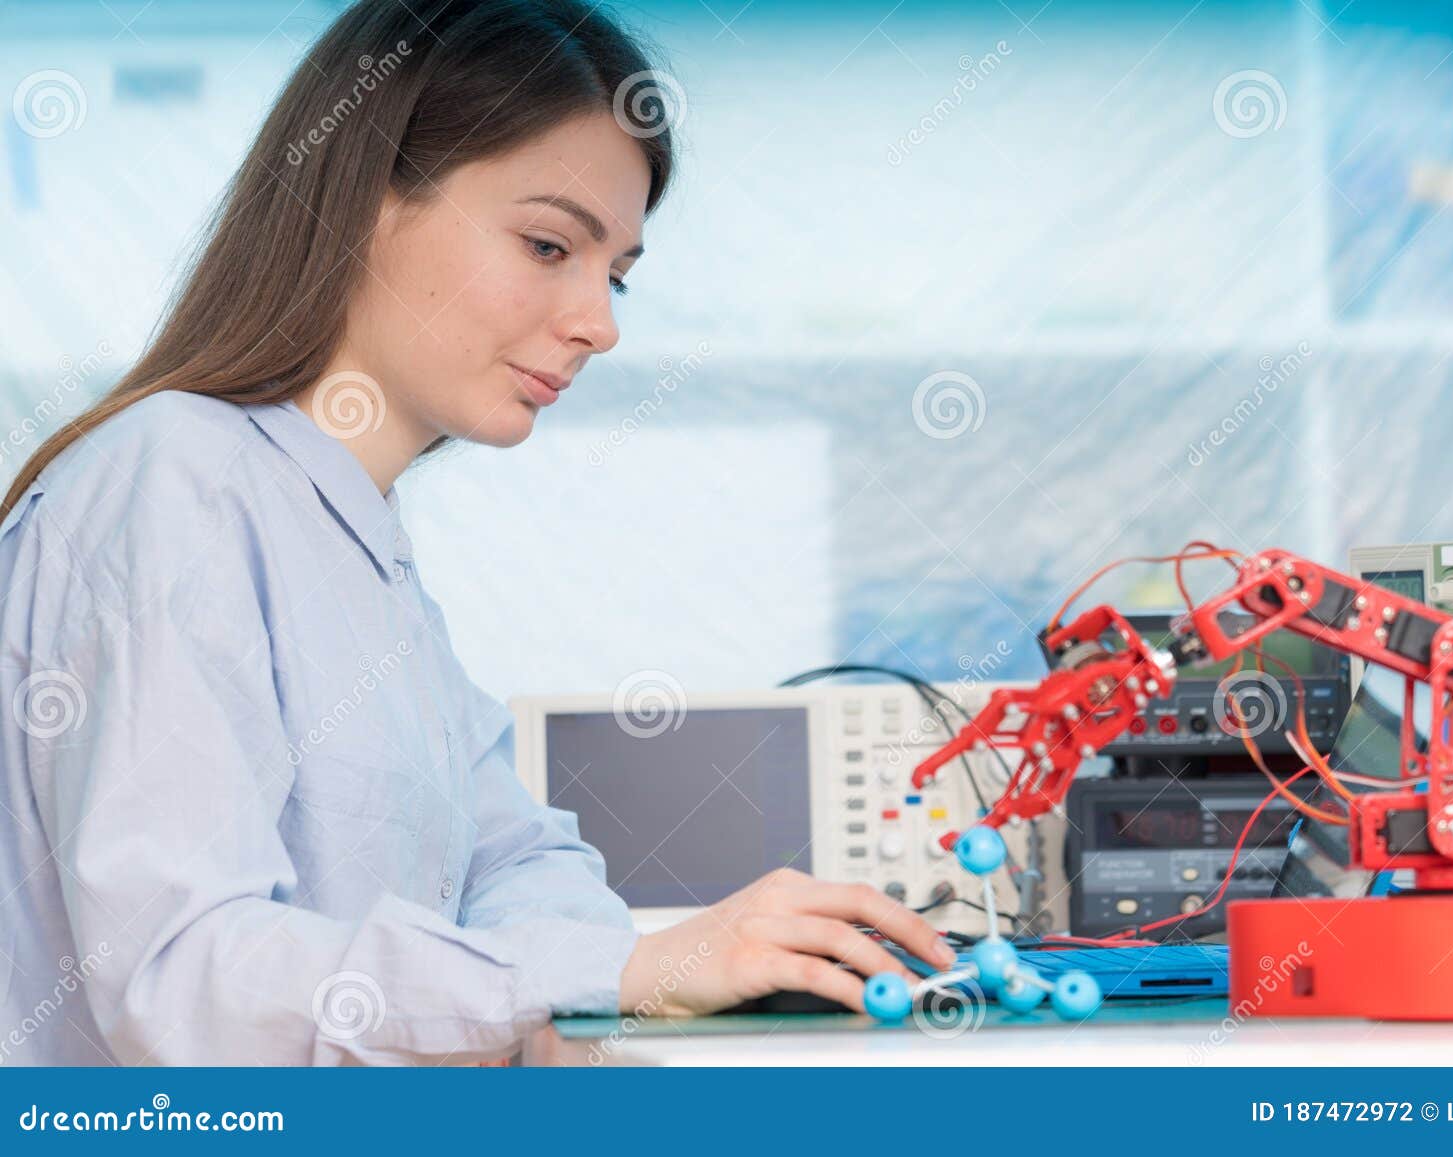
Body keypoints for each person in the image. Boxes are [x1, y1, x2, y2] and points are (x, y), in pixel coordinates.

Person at [0, 0, 952, 1066]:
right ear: (363, 200)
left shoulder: (366, 556)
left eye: (615, 275)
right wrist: (608, 975)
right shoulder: (177, 480)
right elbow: (184, 976)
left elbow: (517, 858)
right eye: (549, 245)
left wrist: (663, 966)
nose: (600, 323)